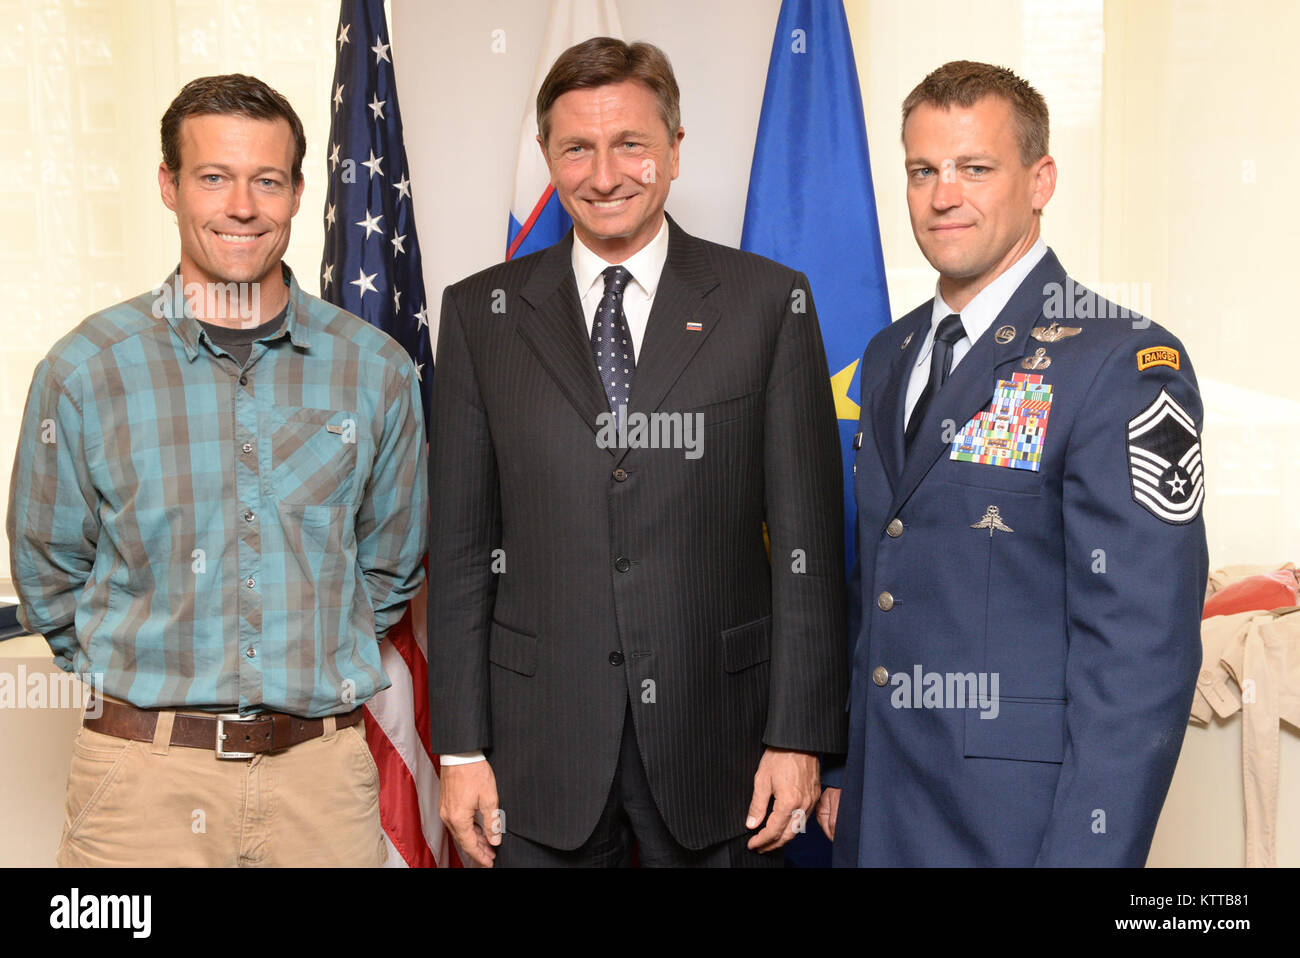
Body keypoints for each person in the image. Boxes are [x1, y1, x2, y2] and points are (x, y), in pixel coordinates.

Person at [428, 37, 847, 867]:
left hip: (720, 753)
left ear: (675, 152)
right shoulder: (482, 315)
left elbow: (809, 543)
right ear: (548, 155)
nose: (605, 174)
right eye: (576, 148)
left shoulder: (770, 302)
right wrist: (460, 749)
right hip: (535, 760)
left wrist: (799, 737)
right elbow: (464, 550)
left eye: (632, 145)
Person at [6, 74, 427, 866]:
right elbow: (48, 574)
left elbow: (388, 565)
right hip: (140, 784)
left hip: (322, 784)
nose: (242, 206)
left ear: (299, 191)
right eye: (213, 177)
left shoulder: (375, 371)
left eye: (267, 180)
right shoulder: (86, 371)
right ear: (168, 185)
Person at [819, 60, 1207, 866]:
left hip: (1016, 831)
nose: (943, 194)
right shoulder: (890, 353)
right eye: (923, 170)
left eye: (975, 168)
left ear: (1041, 180)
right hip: (879, 812)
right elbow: (879, 584)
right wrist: (848, 764)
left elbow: (1140, 658)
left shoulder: (1121, 363)